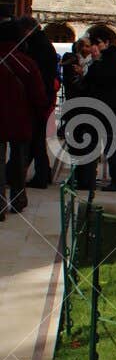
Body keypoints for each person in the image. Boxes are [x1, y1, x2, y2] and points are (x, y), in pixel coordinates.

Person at [0, 24, 49, 219]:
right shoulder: (26, 63)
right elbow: (38, 96)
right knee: (19, 161)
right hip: (21, 119)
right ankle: (18, 199)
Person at [77, 25, 116, 191]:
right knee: (91, 144)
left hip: (109, 108)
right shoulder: (99, 60)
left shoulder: (114, 56)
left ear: (106, 42)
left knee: (111, 146)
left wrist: (97, 61)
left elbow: (105, 77)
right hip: (95, 107)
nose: (95, 47)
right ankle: (87, 180)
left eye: (98, 43)